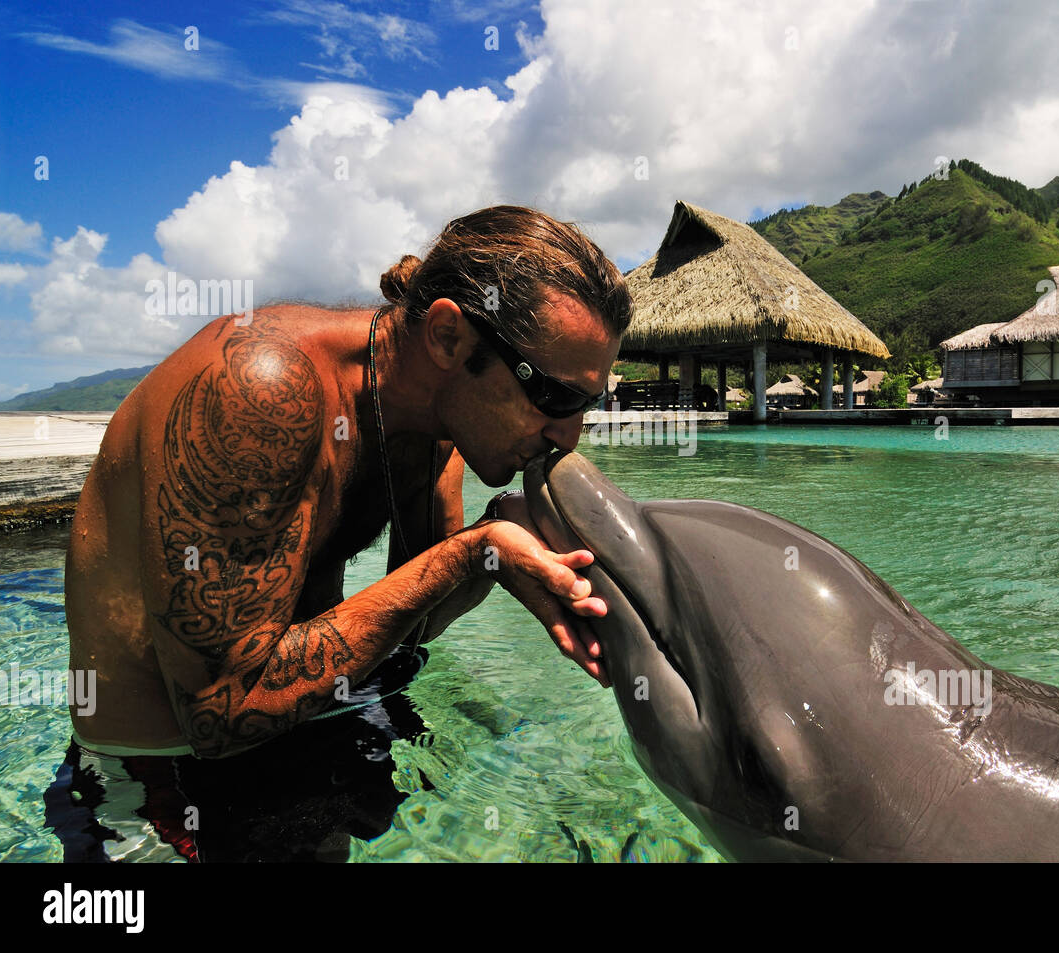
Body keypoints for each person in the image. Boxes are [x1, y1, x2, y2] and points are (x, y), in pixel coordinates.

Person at [45, 205, 632, 860]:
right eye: (553, 398)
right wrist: (473, 553)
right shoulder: (257, 394)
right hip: (160, 771)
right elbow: (221, 712)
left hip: (312, 722)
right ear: (447, 337)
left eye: (589, 402)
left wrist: (498, 549)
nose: (569, 435)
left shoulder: (440, 422)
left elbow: (412, 624)